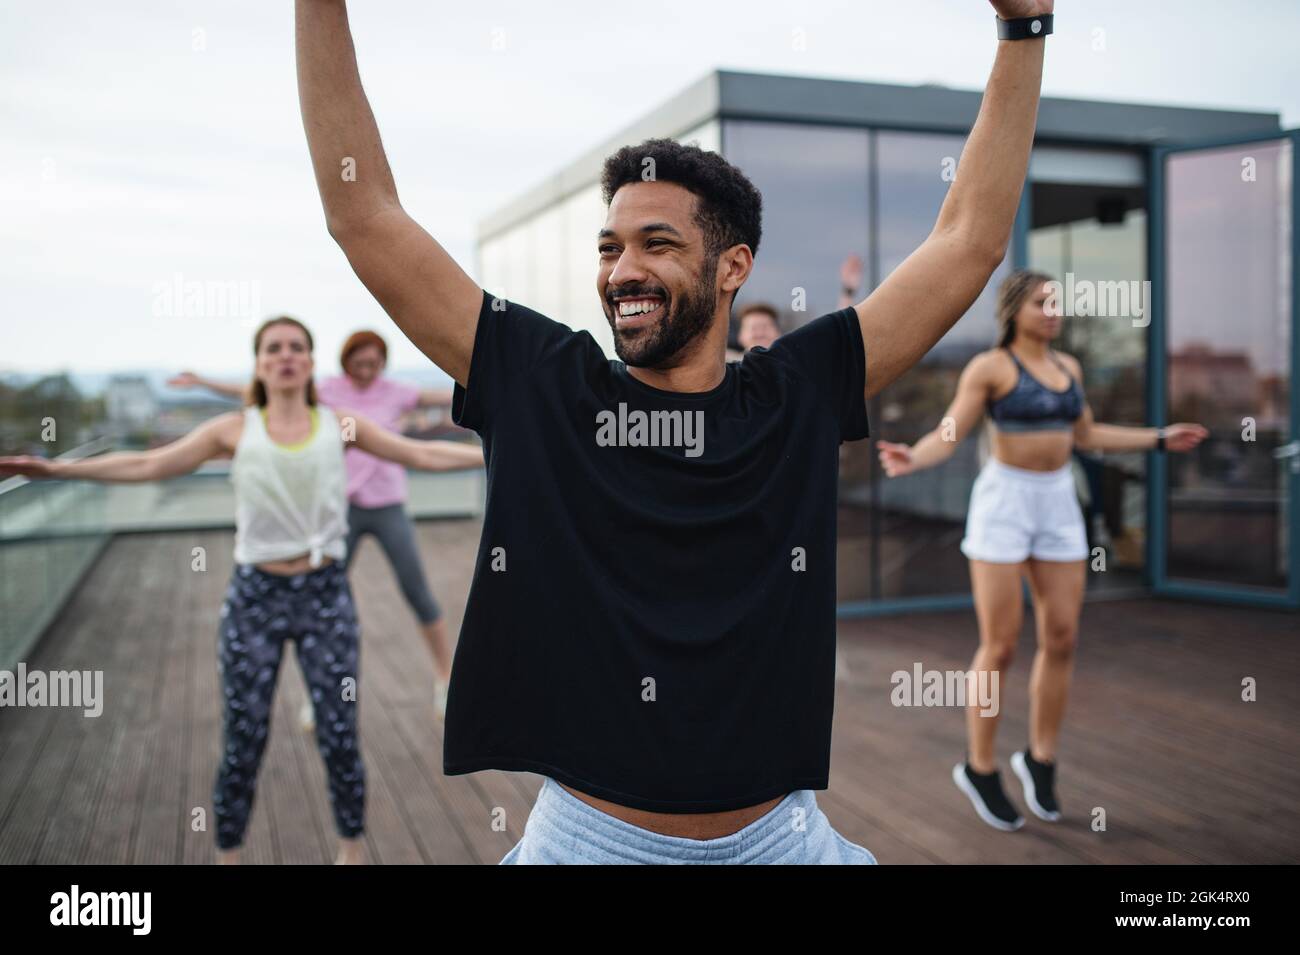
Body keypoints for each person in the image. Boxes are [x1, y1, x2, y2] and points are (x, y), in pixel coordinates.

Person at [295, 0, 1054, 864]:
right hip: (586, 846)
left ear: (733, 267)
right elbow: (365, 215)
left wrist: (1024, 30)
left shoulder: (796, 391)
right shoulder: (544, 383)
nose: (624, 271)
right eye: (609, 246)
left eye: (656, 243)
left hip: (786, 842)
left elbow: (968, 241)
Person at [1, 316, 485, 864]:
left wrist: (498, 456)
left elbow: (421, 455)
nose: (286, 355)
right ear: (259, 363)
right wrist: (59, 472)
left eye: (297, 348)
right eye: (274, 348)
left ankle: (350, 852)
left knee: (338, 735)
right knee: (244, 740)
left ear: (309, 362)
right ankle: (228, 855)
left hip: (325, 596)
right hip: (255, 599)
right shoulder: (233, 430)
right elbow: (149, 463)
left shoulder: (340, 425)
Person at [876, 270, 1207, 831]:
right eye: (1041, 302)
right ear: (1014, 310)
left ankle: (1039, 758)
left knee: (1062, 637)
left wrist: (1158, 439)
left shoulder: (1068, 369)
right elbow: (952, 431)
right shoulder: (993, 368)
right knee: (1000, 646)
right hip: (1005, 502)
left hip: (1057, 503)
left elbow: (1087, 435)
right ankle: (980, 767)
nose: (1053, 310)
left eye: (1057, 302)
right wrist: (915, 456)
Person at [171, 328, 459, 722]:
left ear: (383, 362)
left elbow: (445, 401)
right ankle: (322, 691)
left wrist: (495, 389)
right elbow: (261, 389)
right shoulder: (327, 392)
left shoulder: (398, 392)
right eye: (359, 362)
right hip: (343, 511)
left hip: (388, 505)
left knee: (417, 591)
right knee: (326, 602)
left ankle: (445, 677)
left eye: (373, 363)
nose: (366, 369)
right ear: (345, 362)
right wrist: (202, 381)